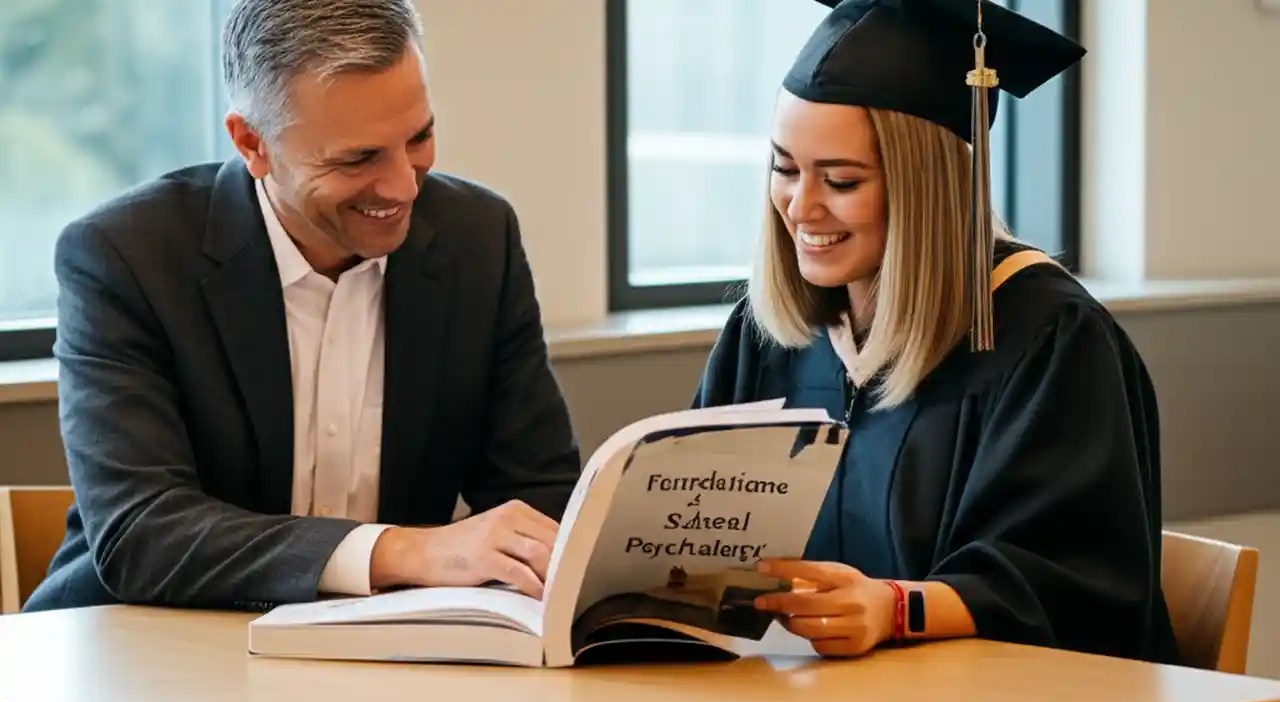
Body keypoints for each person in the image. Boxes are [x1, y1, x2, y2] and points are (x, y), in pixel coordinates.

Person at [25, 0, 580, 613]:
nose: (403, 186)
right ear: (252, 143)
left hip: (383, 649)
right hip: (133, 639)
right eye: (358, 158)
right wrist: (402, 551)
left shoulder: (478, 238)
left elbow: (539, 496)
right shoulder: (126, 256)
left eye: (419, 137)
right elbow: (143, 533)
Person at [694, 0, 1181, 664]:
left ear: (927, 184)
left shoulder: (1048, 336)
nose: (801, 207)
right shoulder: (769, 337)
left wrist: (897, 608)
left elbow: (1075, 584)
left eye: (841, 180)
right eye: (784, 169)